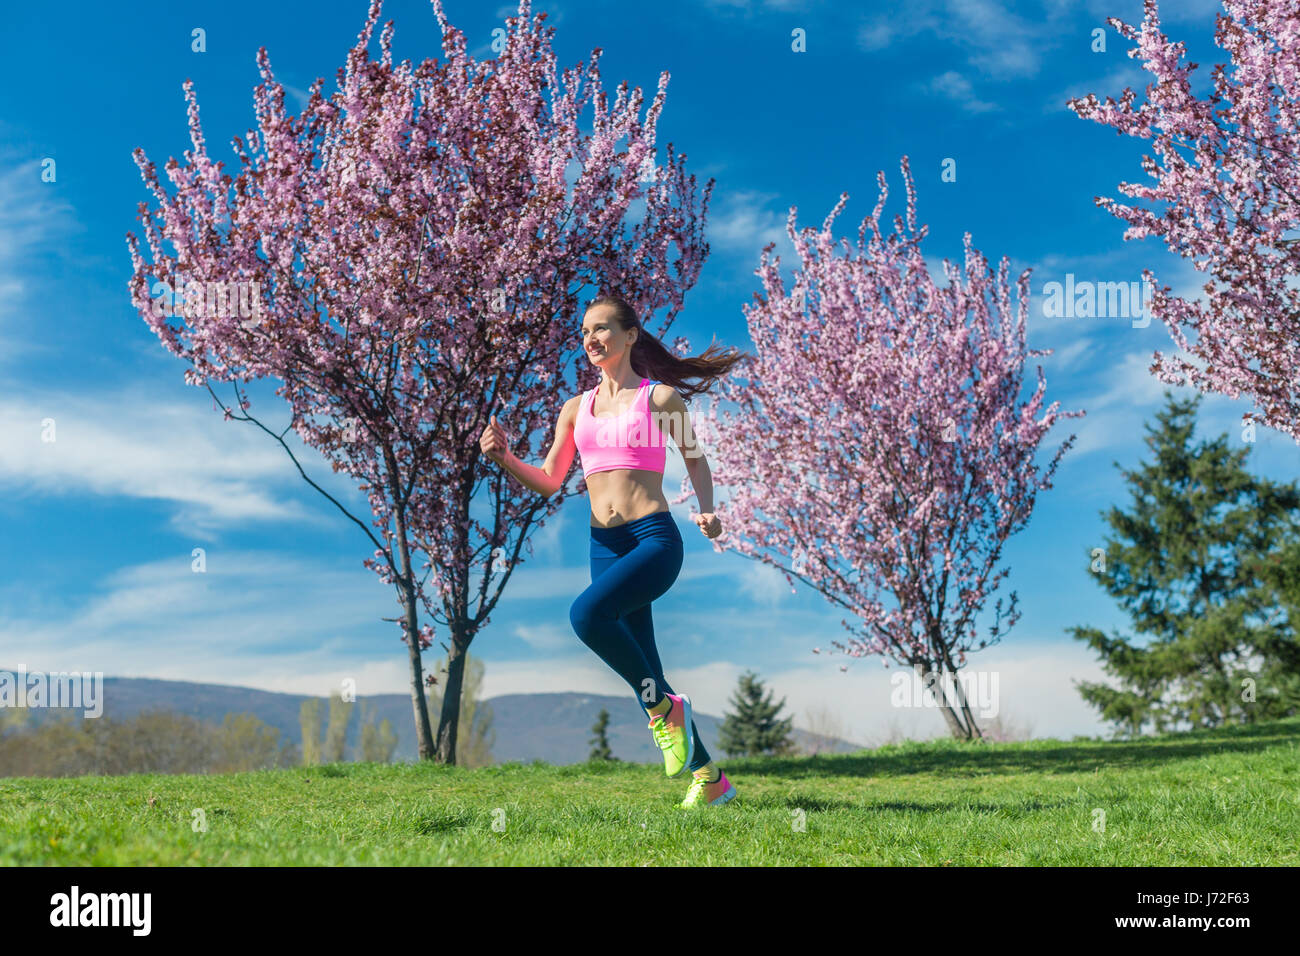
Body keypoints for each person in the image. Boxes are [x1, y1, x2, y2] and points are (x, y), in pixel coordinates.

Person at [478, 293, 750, 807]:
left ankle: (667, 713)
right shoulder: (575, 409)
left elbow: (695, 462)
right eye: (584, 333)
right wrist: (506, 458)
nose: (591, 340)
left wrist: (708, 511)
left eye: (602, 329)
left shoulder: (659, 400)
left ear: (629, 336)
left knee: (586, 616)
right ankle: (711, 780)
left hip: (653, 540)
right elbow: (549, 480)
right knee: (645, 666)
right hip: (603, 545)